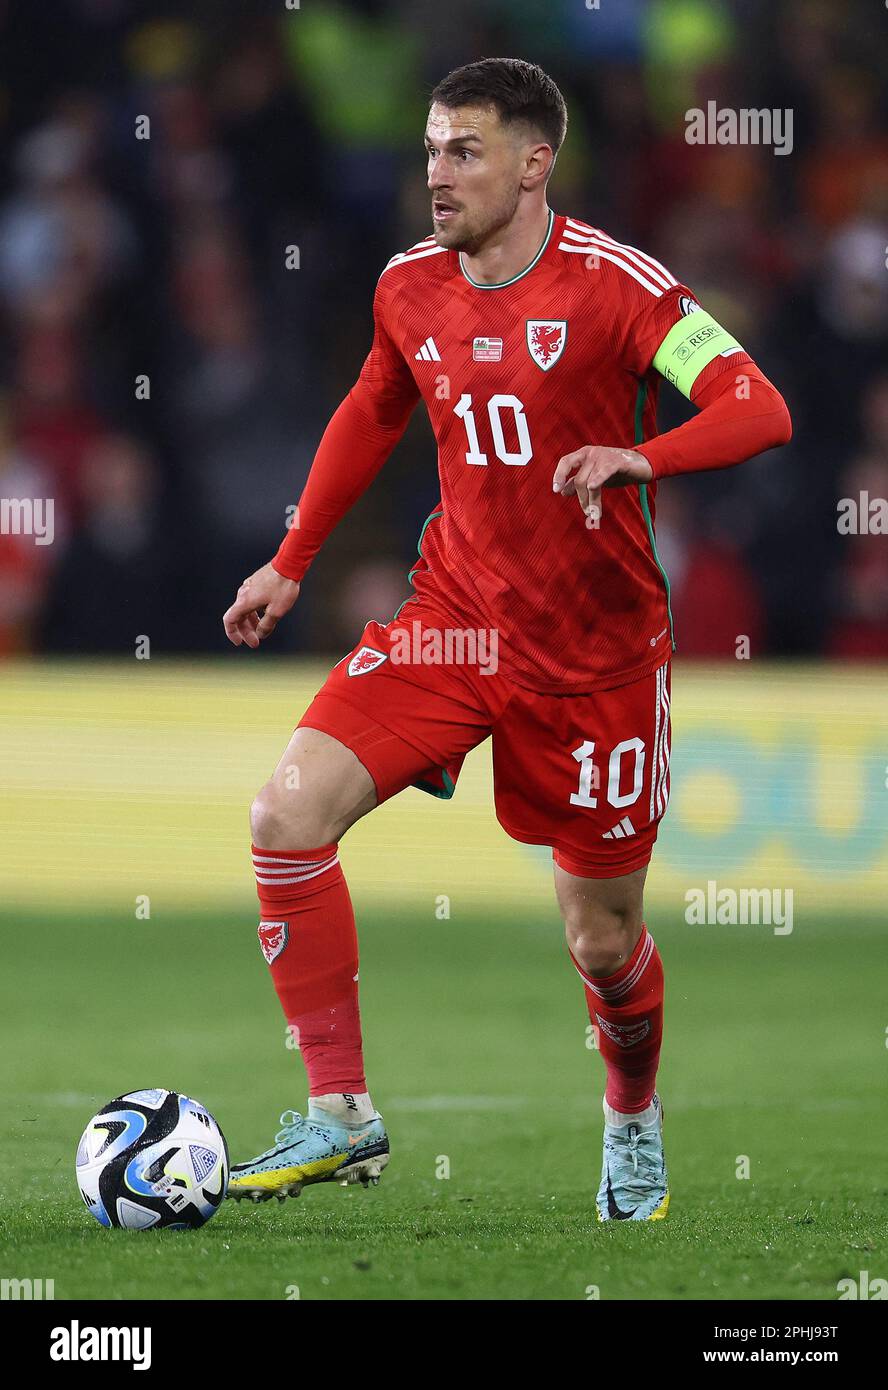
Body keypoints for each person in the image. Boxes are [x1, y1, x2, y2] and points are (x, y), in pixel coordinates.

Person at [222, 58, 791, 1220]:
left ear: (537, 163)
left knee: (601, 939)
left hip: (595, 658)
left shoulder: (620, 289)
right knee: (284, 815)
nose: (437, 173)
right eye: (431, 150)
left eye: (465, 151)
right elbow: (374, 409)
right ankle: (341, 1116)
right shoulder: (408, 289)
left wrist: (645, 455)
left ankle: (631, 1118)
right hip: (454, 624)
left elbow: (758, 407)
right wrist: (293, 559)